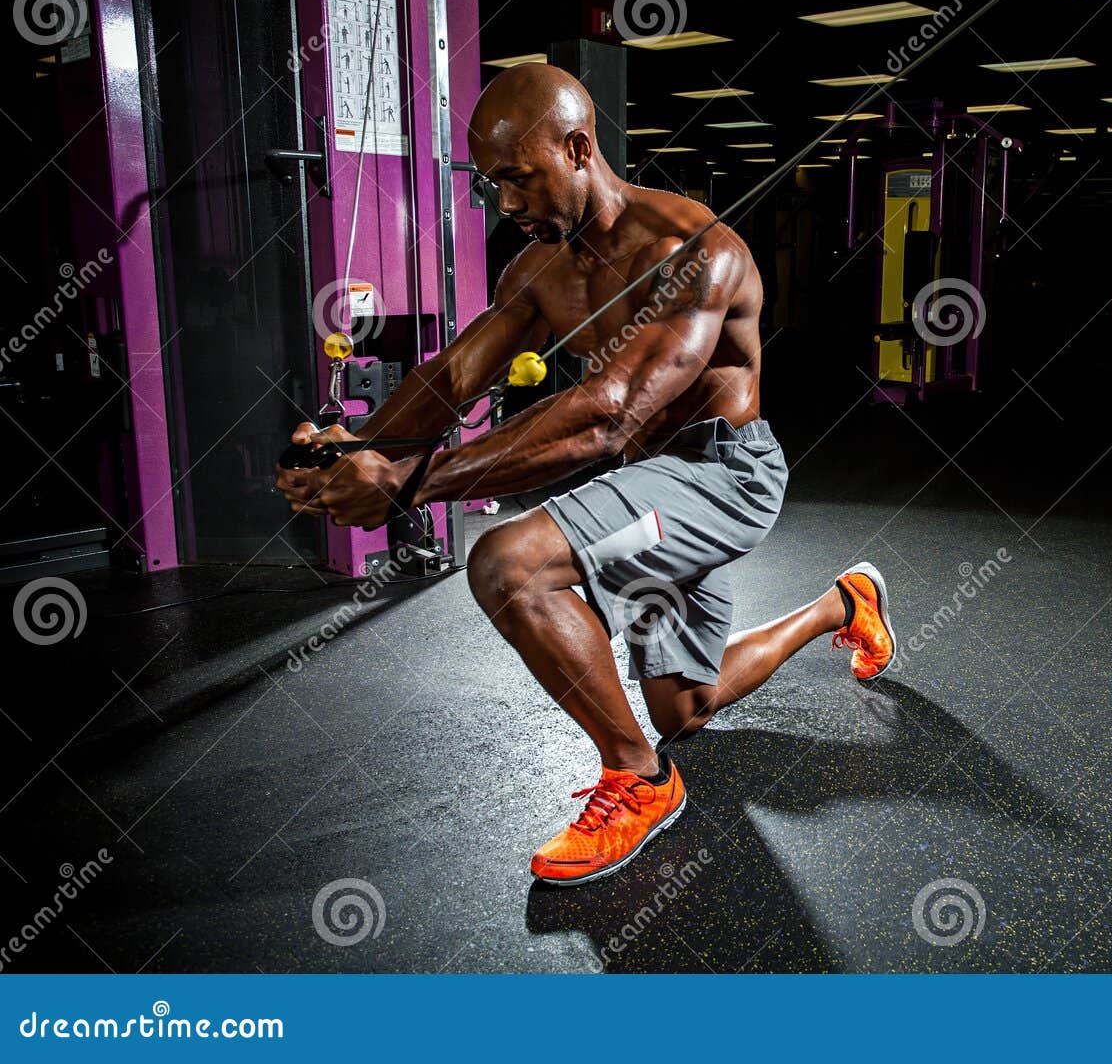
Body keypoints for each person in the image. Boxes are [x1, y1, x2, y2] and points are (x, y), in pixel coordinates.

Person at [275, 63, 897, 886]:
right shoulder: (538, 269)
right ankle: (841, 604)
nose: (506, 203)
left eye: (519, 177)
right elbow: (452, 378)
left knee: (508, 563)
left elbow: (612, 413)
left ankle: (638, 783)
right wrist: (354, 443)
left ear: (577, 147)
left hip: (722, 475)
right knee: (685, 710)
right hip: (650, 485)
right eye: (492, 183)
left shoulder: (694, 253)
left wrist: (408, 482)